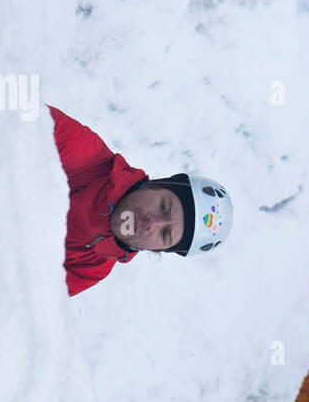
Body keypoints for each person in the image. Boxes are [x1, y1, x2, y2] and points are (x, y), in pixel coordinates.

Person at [48, 106, 233, 296]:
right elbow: (19, 125)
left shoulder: (90, 268)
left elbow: (26, 303)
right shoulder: (83, 154)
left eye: (165, 234)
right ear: (155, 185)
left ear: (158, 249)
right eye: (163, 207)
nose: (152, 223)